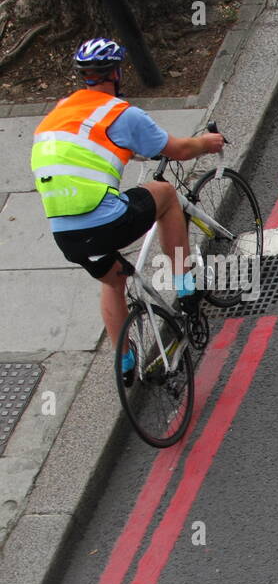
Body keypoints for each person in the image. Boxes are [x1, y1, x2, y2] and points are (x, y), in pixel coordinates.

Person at [30, 38, 224, 384]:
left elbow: (86, 151)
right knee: (164, 193)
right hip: (106, 219)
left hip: (67, 237)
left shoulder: (58, 115)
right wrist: (206, 145)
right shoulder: (120, 113)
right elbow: (177, 150)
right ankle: (185, 286)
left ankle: (124, 363)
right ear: (117, 73)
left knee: (113, 278)